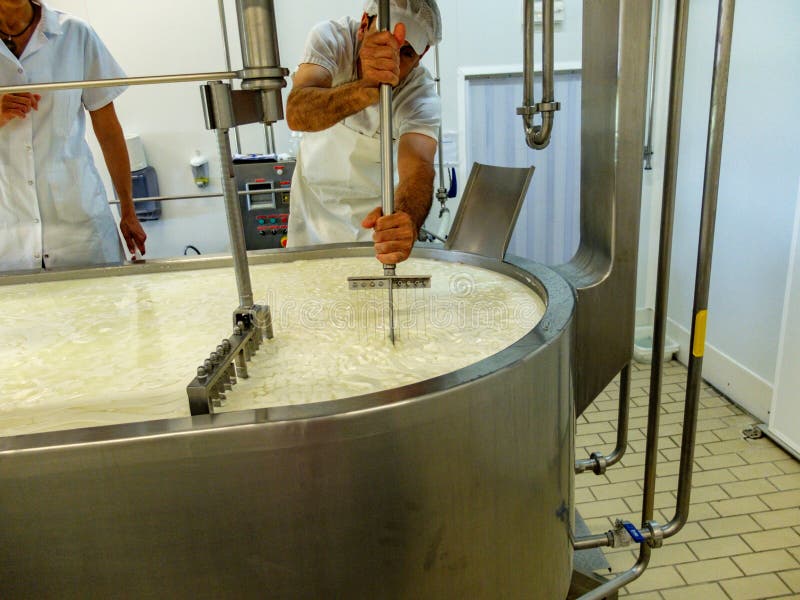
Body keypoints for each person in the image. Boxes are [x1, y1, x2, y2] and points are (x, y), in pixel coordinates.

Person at [286, 0, 441, 265]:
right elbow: (297, 112)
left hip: (370, 229)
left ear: (421, 56)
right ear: (364, 26)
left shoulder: (420, 95)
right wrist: (366, 87)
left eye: (406, 53)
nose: (392, 58)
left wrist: (406, 220)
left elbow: (419, 166)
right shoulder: (332, 40)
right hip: (312, 216)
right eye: (385, 42)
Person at [0, 0, 146, 272]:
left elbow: (109, 131)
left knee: (96, 311)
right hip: (7, 231)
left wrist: (128, 210)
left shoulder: (75, 34)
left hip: (79, 225)